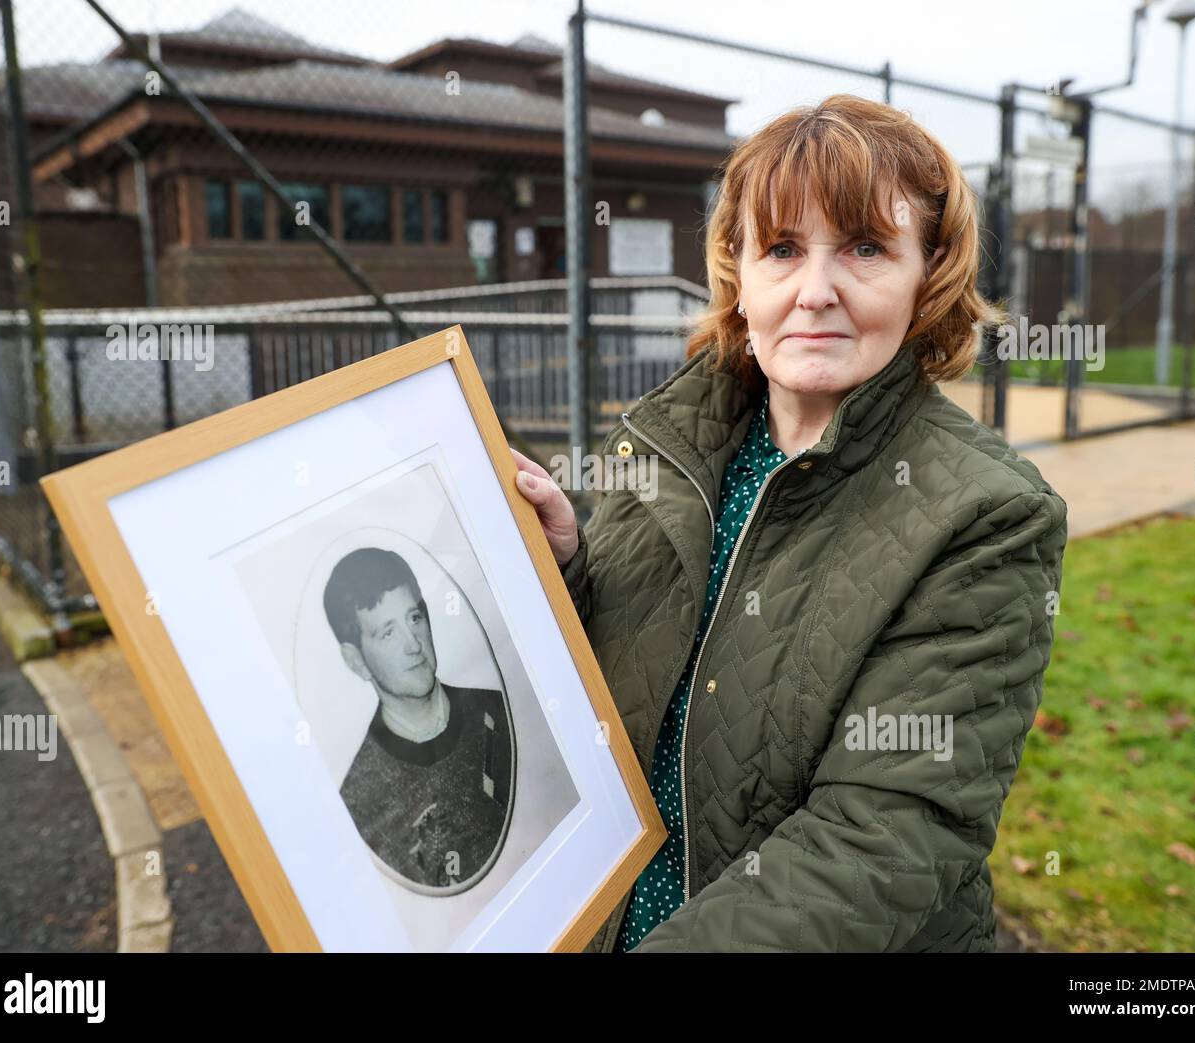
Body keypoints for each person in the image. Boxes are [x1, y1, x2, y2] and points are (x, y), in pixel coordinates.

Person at [512, 94, 1067, 952]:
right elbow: (625, 690)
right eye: (781, 249)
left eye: (865, 248)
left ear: (931, 273)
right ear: (740, 273)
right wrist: (569, 570)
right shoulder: (669, 442)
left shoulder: (987, 515)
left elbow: (885, 837)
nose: (815, 291)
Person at [322, 547, 513, 891]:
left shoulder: (502, 712)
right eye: (388, 632)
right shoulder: (359, 803)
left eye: (414, 618)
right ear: (356, 661)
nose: (414, 644)